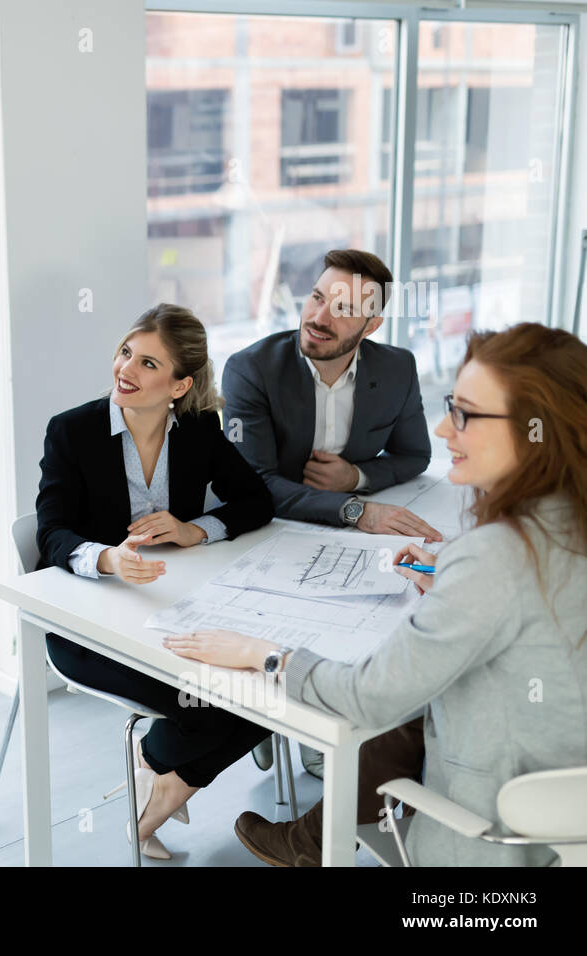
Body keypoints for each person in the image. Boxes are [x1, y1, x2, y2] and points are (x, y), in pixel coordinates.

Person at [166, 323, 587, 866]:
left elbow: (365, 696)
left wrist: (260, 652)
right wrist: (460, 585)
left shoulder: (496, 557)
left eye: (465, 414)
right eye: (448, 406)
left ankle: (311, 842)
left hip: (494, 859)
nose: (443, 429)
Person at [36, 304, 275, 859]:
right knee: (222, 703)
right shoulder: (71, 431)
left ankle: (158, 772)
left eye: (147, 363)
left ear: (180, 384)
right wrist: (107, 560)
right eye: (125, 353)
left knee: (268, 687)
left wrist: (195, 531)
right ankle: (163, 779)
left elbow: (256, 500)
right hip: (90, 628)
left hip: (179, 610)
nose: (126, 369)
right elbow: (51, 535)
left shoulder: (198, 429)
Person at [223, 248, 441, 779]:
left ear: (372, 324)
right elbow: (255, 484)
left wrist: (357, 478)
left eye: (342, 309)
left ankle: (339, 730)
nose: (319, 317)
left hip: (346, 541)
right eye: (317, 297)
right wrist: (353, 508)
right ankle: (283, 720)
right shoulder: (251, 370)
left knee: (388, 615)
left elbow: (416, 455)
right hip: (263, 534)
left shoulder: (397, 368)